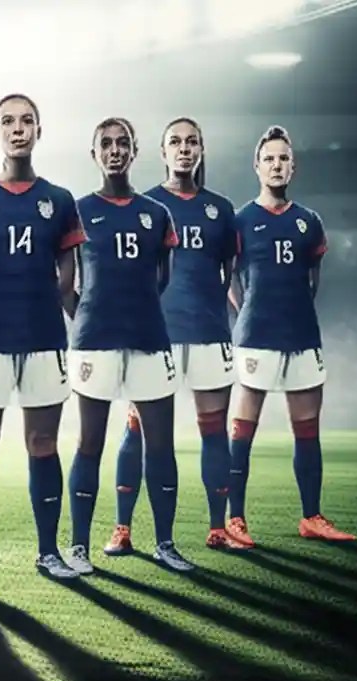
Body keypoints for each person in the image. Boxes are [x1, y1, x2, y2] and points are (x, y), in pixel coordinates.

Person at [0, 94, 83, 583]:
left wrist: (48, 308)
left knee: (42, 443)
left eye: (27, 120)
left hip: (46, 339)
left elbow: (68, 275)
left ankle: (48, 552)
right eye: (8, 121)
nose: (18, 128)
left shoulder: (60, 201)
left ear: (39, 131)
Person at [108, 117, 251, 553]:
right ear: (163, 152)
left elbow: (231, 272)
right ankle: (123, 528)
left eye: (192, 142)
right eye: (175, 142)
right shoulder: (144, 204)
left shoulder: (221, 209)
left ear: (201, 149)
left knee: (214, 431)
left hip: (209, 333)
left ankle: (216, 526)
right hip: (157, 335)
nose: (184, 148)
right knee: (139, 432)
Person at [68, 117, 195, 574]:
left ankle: (165, 543)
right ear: (94, 153)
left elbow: (161, 276)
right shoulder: (77, 209)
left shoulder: (157, 214)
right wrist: (86, 316)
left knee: (160, 446)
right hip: (94, 343)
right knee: (89, 445)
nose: (115, 150)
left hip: (148, 340)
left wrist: (134, 312)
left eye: (123, 143)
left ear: (135, 150)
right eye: (107, 143)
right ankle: (79, 547)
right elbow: (66, 282)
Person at [227, 125, 356, 545]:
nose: (277, 165)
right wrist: (249, 309)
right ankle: (235, 519)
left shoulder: (309, 222)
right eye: (269, 158)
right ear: (257, 166)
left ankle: (312, 518)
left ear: (293, 166)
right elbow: (230, 280)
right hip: (256, 335)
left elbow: (312, 280)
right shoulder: (242, 220)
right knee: (243, 430)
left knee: (307, 428)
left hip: (302, 335)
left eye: (284, 158)